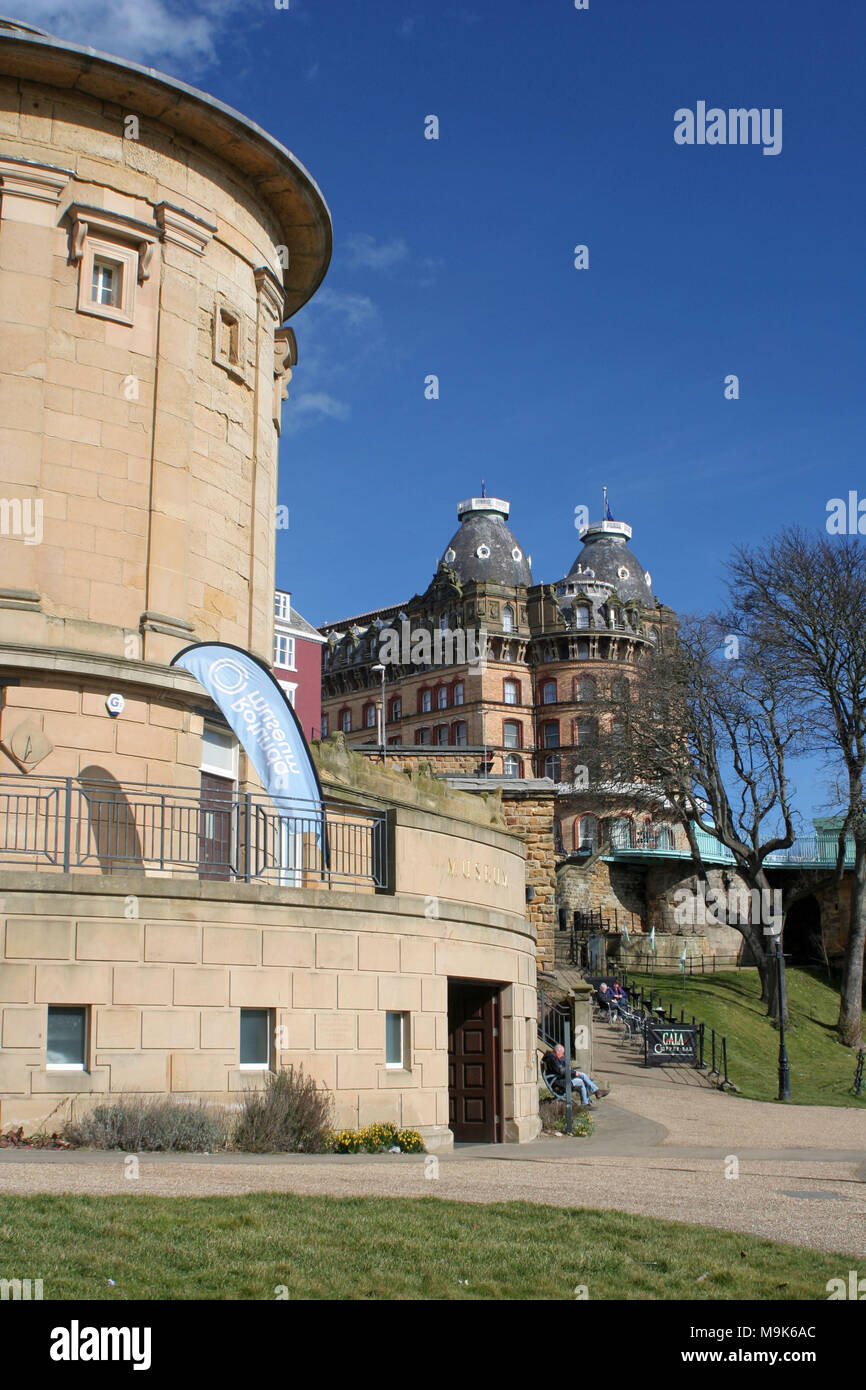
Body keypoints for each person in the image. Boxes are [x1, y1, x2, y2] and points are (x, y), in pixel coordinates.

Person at [543, 1043, 610, 1106]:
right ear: (557, 1052)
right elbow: (560, 1070)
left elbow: (560, 1069)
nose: (563, 1055)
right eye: (562, 1053)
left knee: (582, 1076)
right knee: (581, 1080)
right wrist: (574, 1073)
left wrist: (571, 1071)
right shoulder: (551, 1058)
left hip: (559, 1079)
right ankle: (591, 1097)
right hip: (558, 1082)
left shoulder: (552, 1057)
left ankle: (594, 1094)